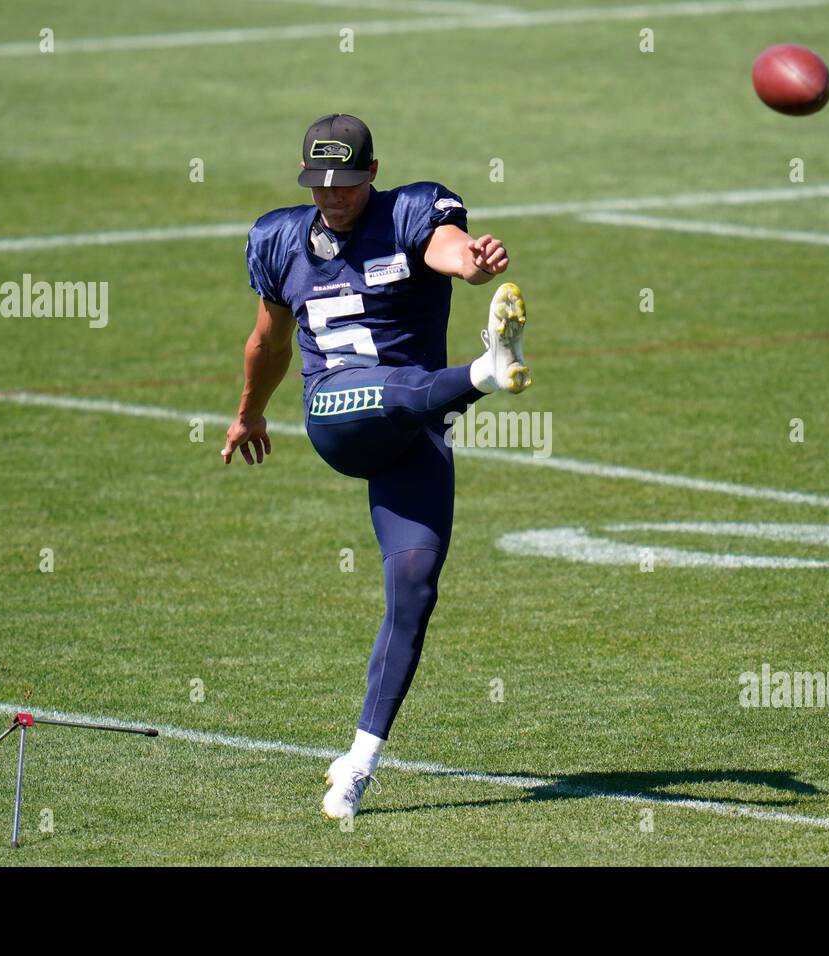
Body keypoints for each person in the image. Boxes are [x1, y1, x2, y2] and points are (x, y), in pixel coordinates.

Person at [221, 113, 532, 820]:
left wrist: (472, 264)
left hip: (413, 425)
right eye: (321, 185)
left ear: (373, 173)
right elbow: (268, 343)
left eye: (349, 183)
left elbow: (446, 247)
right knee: (398, 384)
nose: (334, 196)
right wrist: (249, 411)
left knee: (415, 588)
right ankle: (488, 369)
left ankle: (358, 764)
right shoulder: (278, 239)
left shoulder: (411, 212)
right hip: (336, 414)